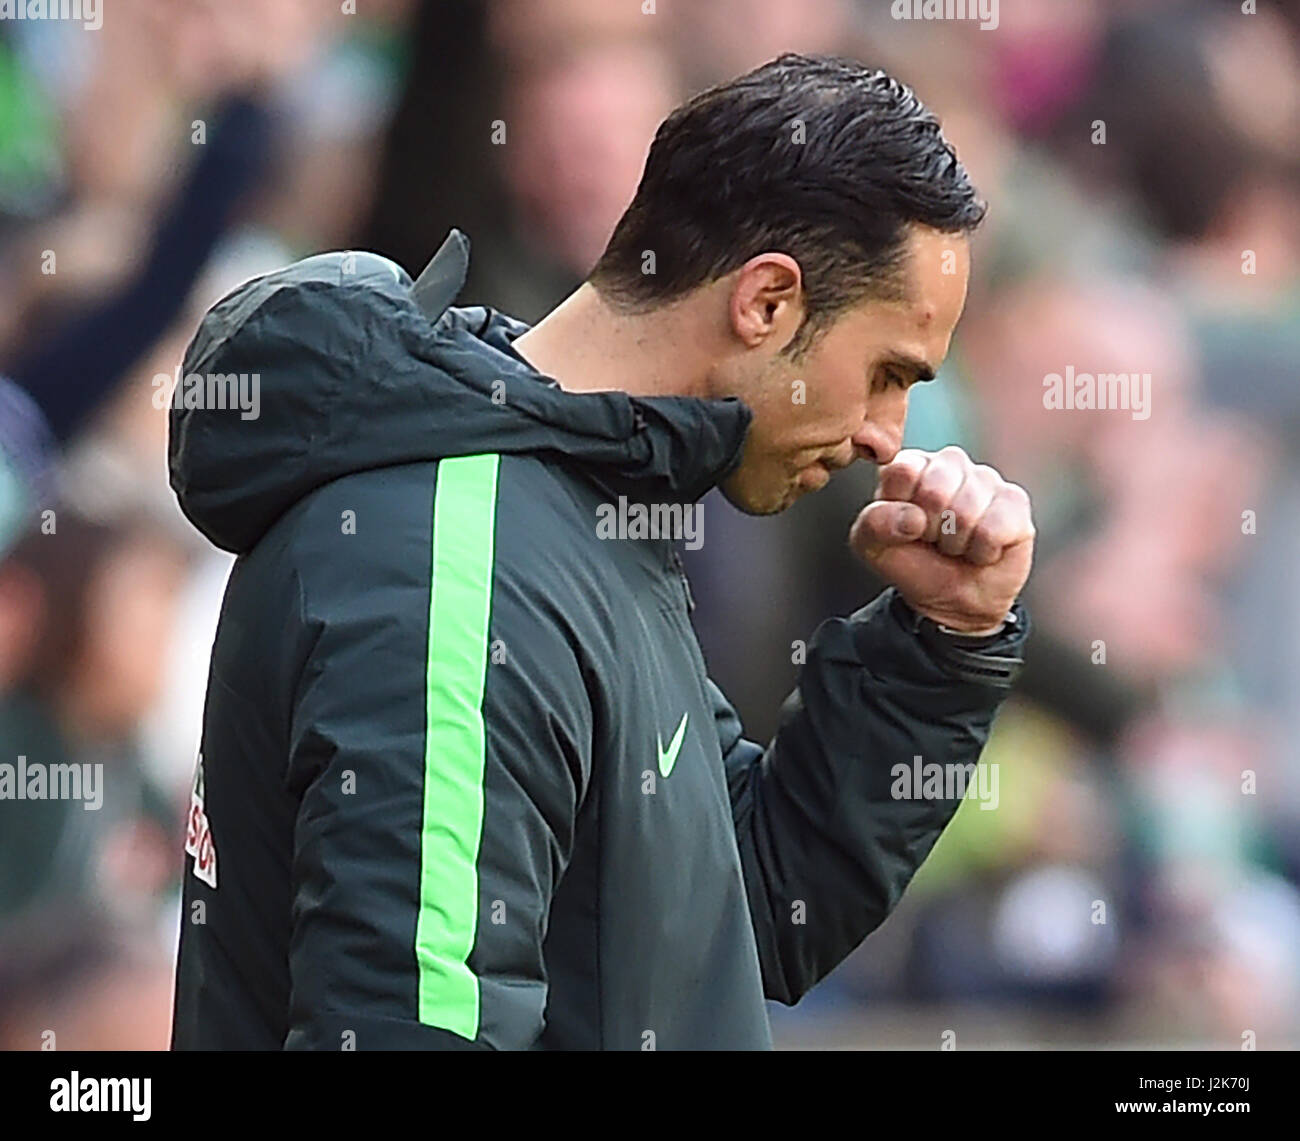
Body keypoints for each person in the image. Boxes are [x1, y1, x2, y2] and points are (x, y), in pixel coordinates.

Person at [168, 54, 1034, 1051]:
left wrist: (937, 647)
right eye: (887, 371)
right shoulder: (460, 559)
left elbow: (727, 910)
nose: (889, 431)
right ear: (765, 303)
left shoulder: (575, 502)